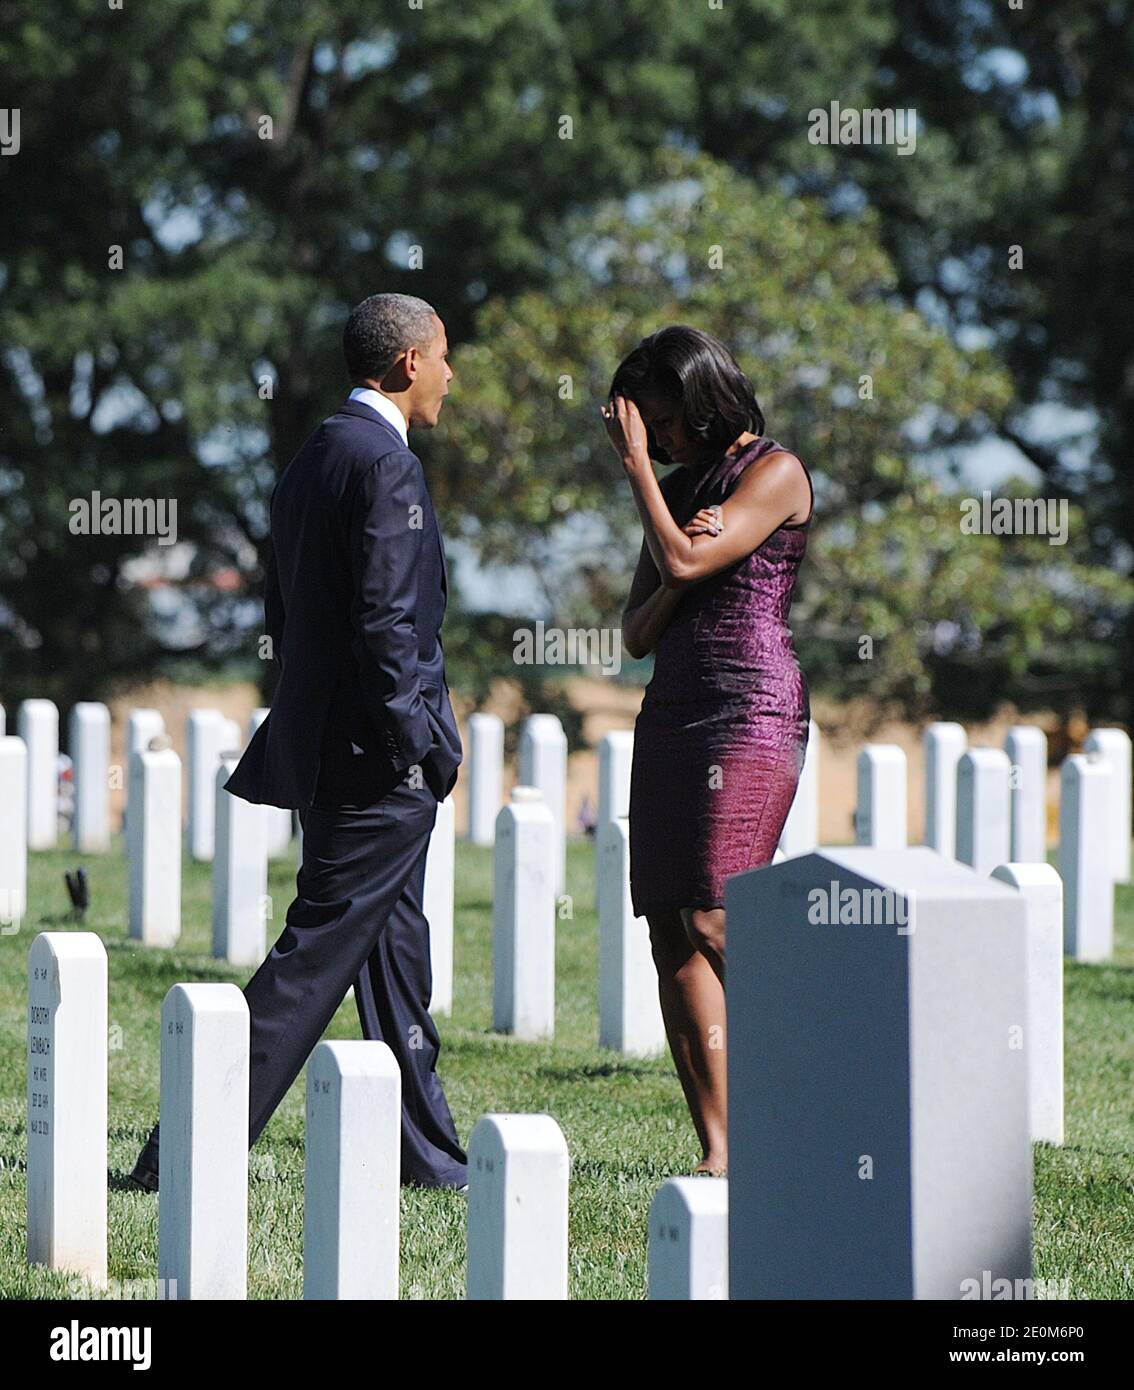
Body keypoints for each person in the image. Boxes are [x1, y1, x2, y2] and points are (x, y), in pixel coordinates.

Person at [130, 292, 468, 1193]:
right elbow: (390, 625)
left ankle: (428, 1157)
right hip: (376, 759)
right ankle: (182, 1150)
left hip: (325, 746)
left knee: (395, 958)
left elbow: (286, 611)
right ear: (406, 364)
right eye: (443, 358)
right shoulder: (385, 466)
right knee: (314, 957)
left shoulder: (314, 455)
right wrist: (419, 744)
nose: (450, 376)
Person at [599, 325, 814, 1178]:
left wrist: (640, 479)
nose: (653, 439)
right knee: (670, 929)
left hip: (749, 708)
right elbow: (637, 627)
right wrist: (677, 549)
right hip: (676, 711)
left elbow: (685, 559)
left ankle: (833, 1072)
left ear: (697, 398)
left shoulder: (775, 472)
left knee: (718, 910)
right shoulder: (686, 487)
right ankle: (724, 1152)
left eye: (659, 422)